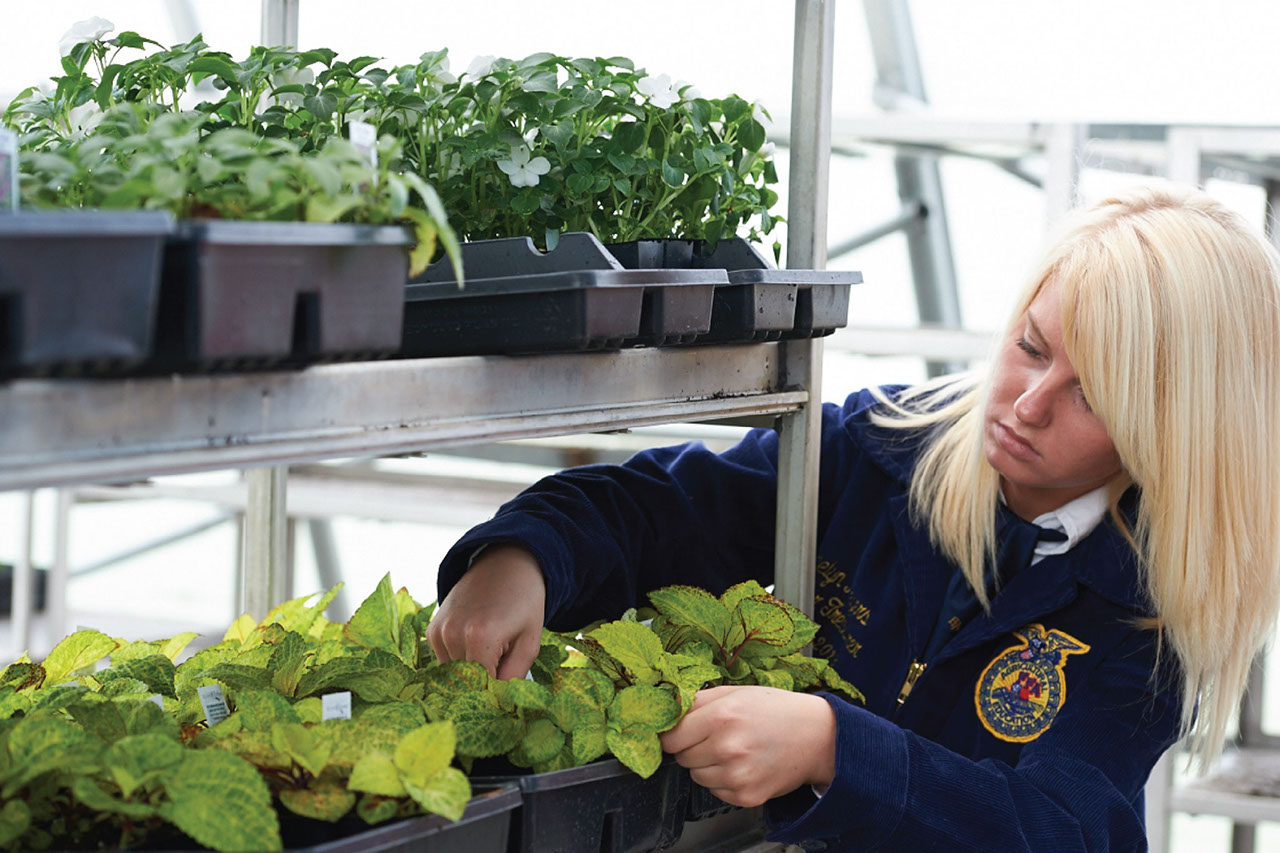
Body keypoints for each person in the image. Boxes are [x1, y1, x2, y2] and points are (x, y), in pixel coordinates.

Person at [426, 182, 1280, 851]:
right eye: (1031, 346)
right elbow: (663, 508)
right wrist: (522, 559)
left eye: (1093, 395)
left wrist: (836, 747)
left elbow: (1064, 829)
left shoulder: (1152, 607)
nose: (1026, 403)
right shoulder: (884, 454)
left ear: (1171, 434)